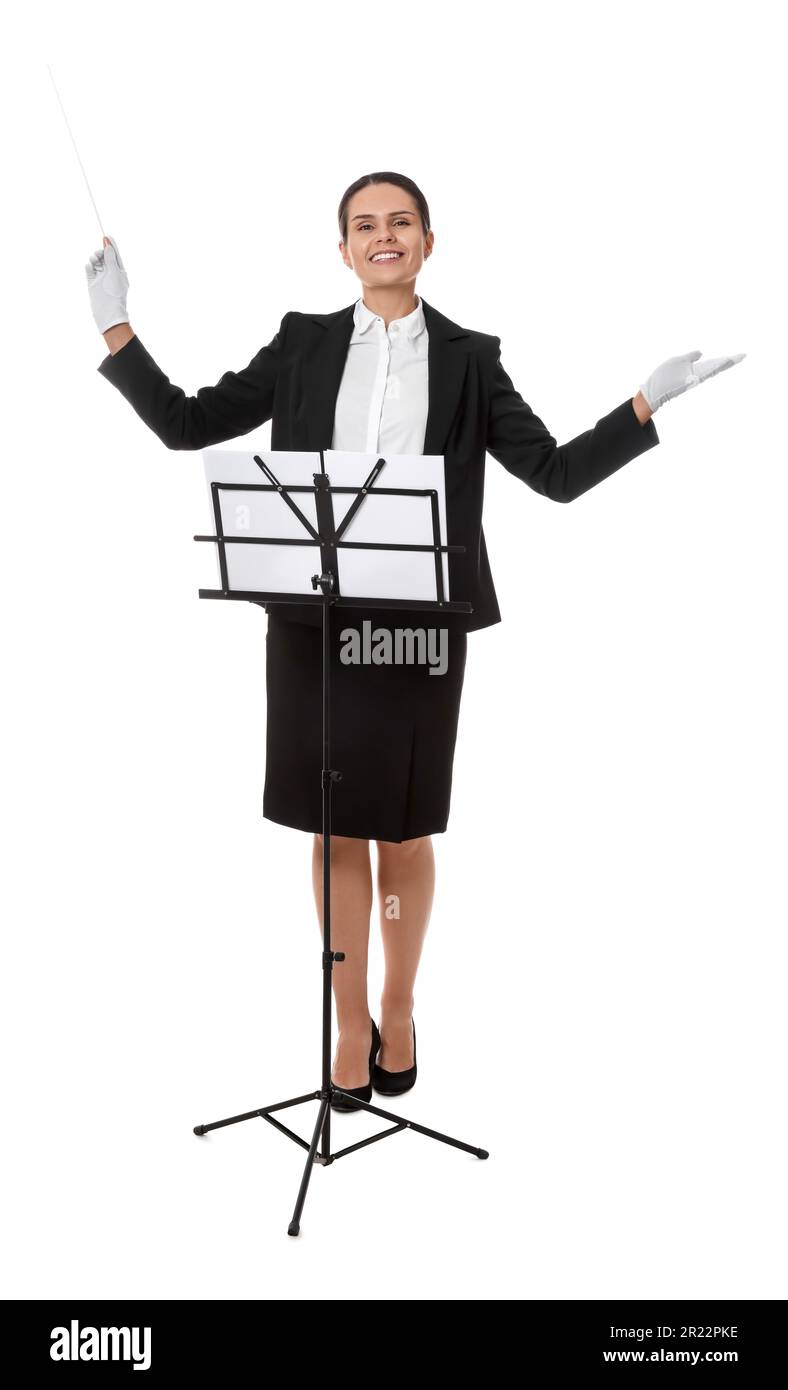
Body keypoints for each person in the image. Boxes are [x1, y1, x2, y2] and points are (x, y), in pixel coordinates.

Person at [86, 171, 745, 1113]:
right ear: (342, 249)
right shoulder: (301, 344)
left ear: (428, 243)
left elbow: (553, 476)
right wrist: (117, 325)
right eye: (364, 225)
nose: (382, 236)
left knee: (401, 823)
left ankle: (400, 1006)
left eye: (400, 222)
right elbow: (187, 424)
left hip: (419, 634)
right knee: (329, 823)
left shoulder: (471, 358)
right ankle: (347, 1021)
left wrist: (644, 405)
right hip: (313, 624)